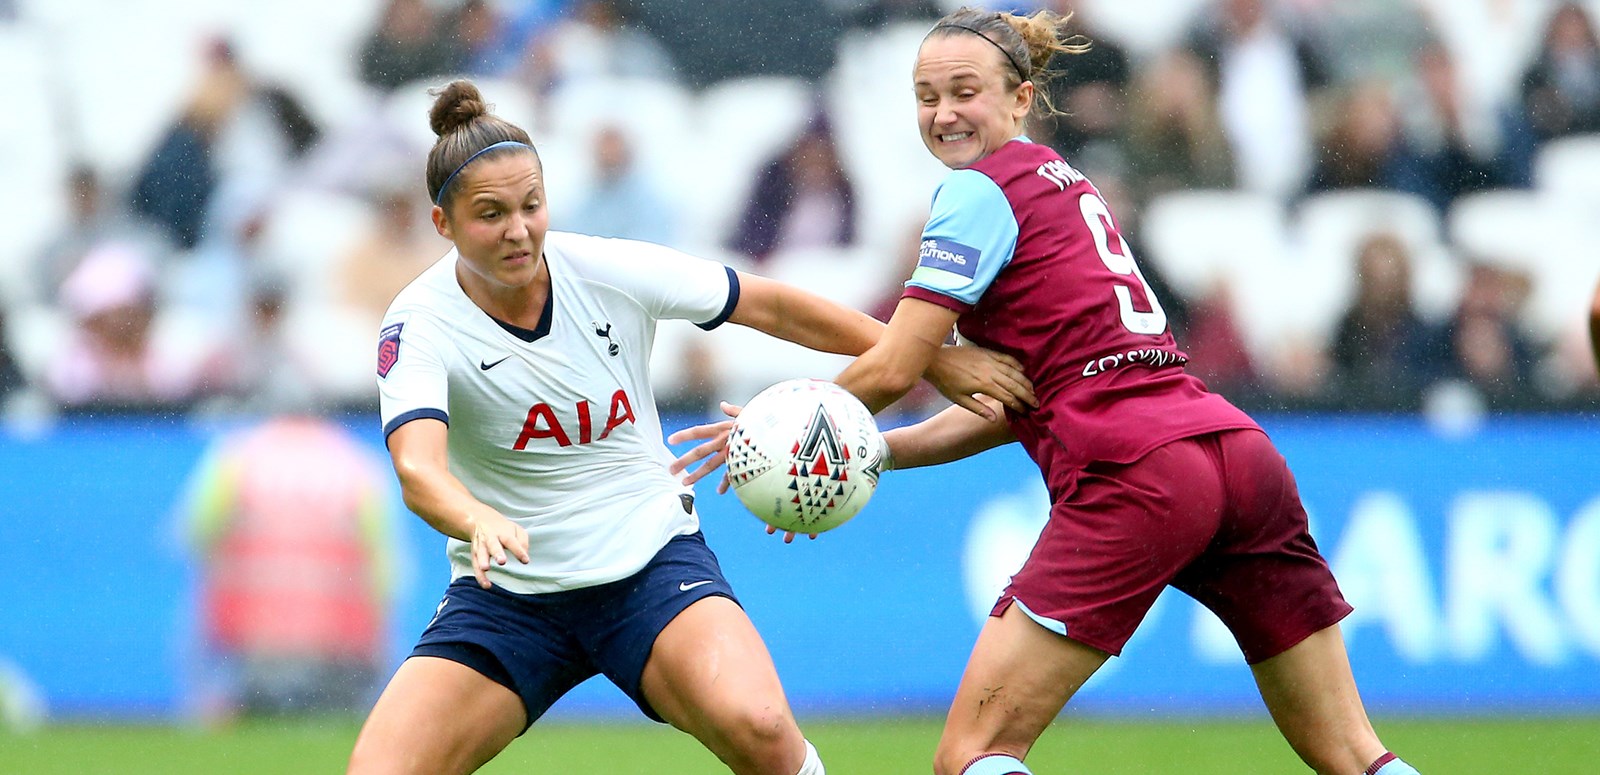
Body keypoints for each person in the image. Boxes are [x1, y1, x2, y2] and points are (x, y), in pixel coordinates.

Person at [671, 9, 1418, 775]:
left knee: (975, 753)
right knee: (1356, 755)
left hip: (1138, 472)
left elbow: (898, 364)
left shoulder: (977, 192)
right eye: (926, 95)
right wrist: (865, 457)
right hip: (1234, 454)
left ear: (1021, 99)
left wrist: (786, 427)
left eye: (966, 91)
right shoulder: (1061, 183)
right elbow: (1016, 404)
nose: (944, 112)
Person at [350, 79, 1033, 775]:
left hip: (648, 568)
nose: (520, 230)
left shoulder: (605, 268)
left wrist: (926, 356)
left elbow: (772, 307)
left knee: (764, 731)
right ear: (444, 224)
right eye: (490, 214)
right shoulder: (420, 322)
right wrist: (474, 517)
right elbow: (418, 468)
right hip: (509, 597)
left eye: (532, 205)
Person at [180, 413, 398, 721]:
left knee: (246, 718)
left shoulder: (237, 456)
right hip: (336, 635)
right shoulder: (356, 462)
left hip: (249, 629)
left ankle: (210, 711)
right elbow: (383, 559)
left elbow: (197, 534)